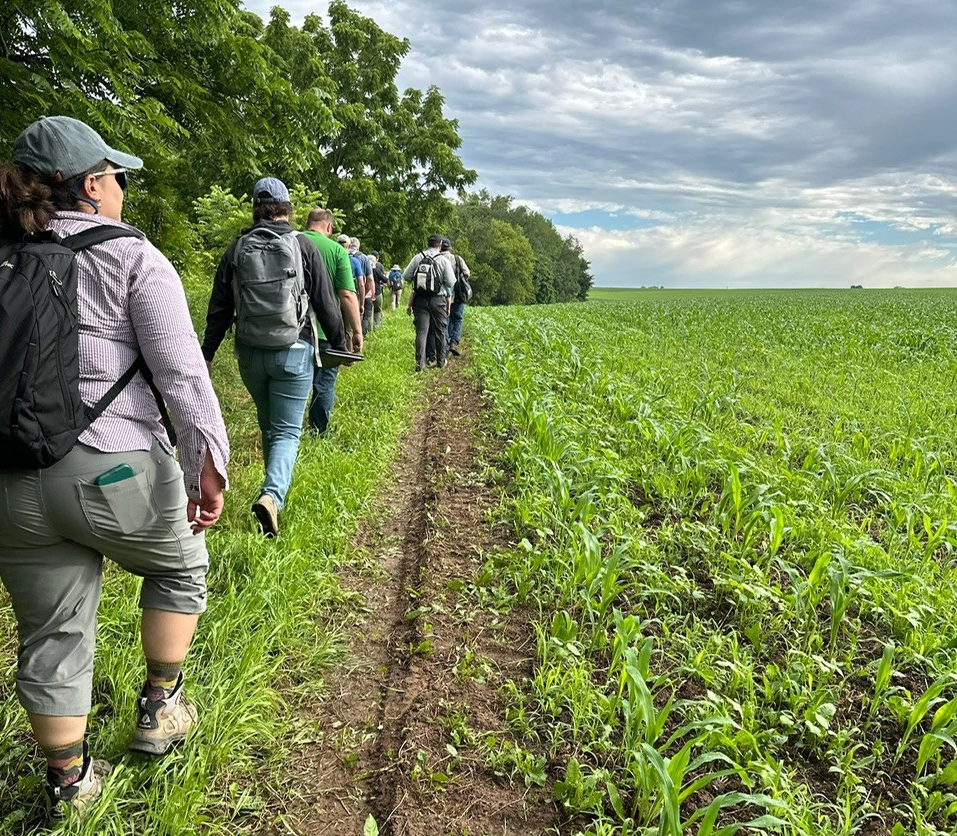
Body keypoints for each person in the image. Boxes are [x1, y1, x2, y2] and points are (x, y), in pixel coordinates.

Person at [0, 115, 230, 819]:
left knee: (52, 627)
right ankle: (160, 709)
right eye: (118, 175)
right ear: (93, 184)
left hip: (13, 482)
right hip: (114, 475)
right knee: (178, 563)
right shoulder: (133, 256)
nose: (124, 188)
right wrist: (207, 465)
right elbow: (183, 375)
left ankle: (69, 786)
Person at [202, 178, 346, 537]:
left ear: (255, 207)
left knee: (269, 425)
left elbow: (219, 307)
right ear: (287, 208)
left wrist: (207, 353)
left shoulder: (237, 248)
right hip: (294, 352)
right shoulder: (301, 245)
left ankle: (271, 496)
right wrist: (339, 344)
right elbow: (327, 303)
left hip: (251, 354)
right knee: (286, 432)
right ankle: (272, 495)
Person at [302, 208, 362, 436]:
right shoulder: (337, 251)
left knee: (293, 383)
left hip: (290, 329)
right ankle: (318, 432)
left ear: (308, 223)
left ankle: (286, 432)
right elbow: (347, 294)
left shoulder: (290, 242)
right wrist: (357, 331)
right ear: (329, 227)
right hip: (325, 331)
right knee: (324, 382)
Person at [404, 233, 456, 371]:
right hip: (438, 300)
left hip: (420, 300)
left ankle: (419, 365)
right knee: (440, 330)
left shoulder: (418, 257)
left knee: (421, 332)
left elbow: (407, 276)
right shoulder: (443, 260)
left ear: (428, 243)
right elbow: (450, 282)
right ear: (439, 245)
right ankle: (440, 361)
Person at [440, 237, 472, 357]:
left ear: (440, 247)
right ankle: (454, 342)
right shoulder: (457, 259)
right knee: (457, 319)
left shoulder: (437, 259)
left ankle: (447, 344)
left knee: (446, 319)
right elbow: (467, 273)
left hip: (442, 296)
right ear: (450, 248)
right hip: (458, 295)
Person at [349, 236, 373, 336]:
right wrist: (363, 295)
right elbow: (369, 279)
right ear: (358, 246)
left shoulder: (342, 254)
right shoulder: (364, 258)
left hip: (342, 293)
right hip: (358, 294)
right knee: (358, 320)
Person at [370, 250, 386, 329]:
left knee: (369, 311)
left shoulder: (365, 270)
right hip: (377, 292)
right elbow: (384, 279)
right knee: (377, 311)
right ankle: (376, 326)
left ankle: (369, 328)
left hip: (367, 293)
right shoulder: (377, 270)